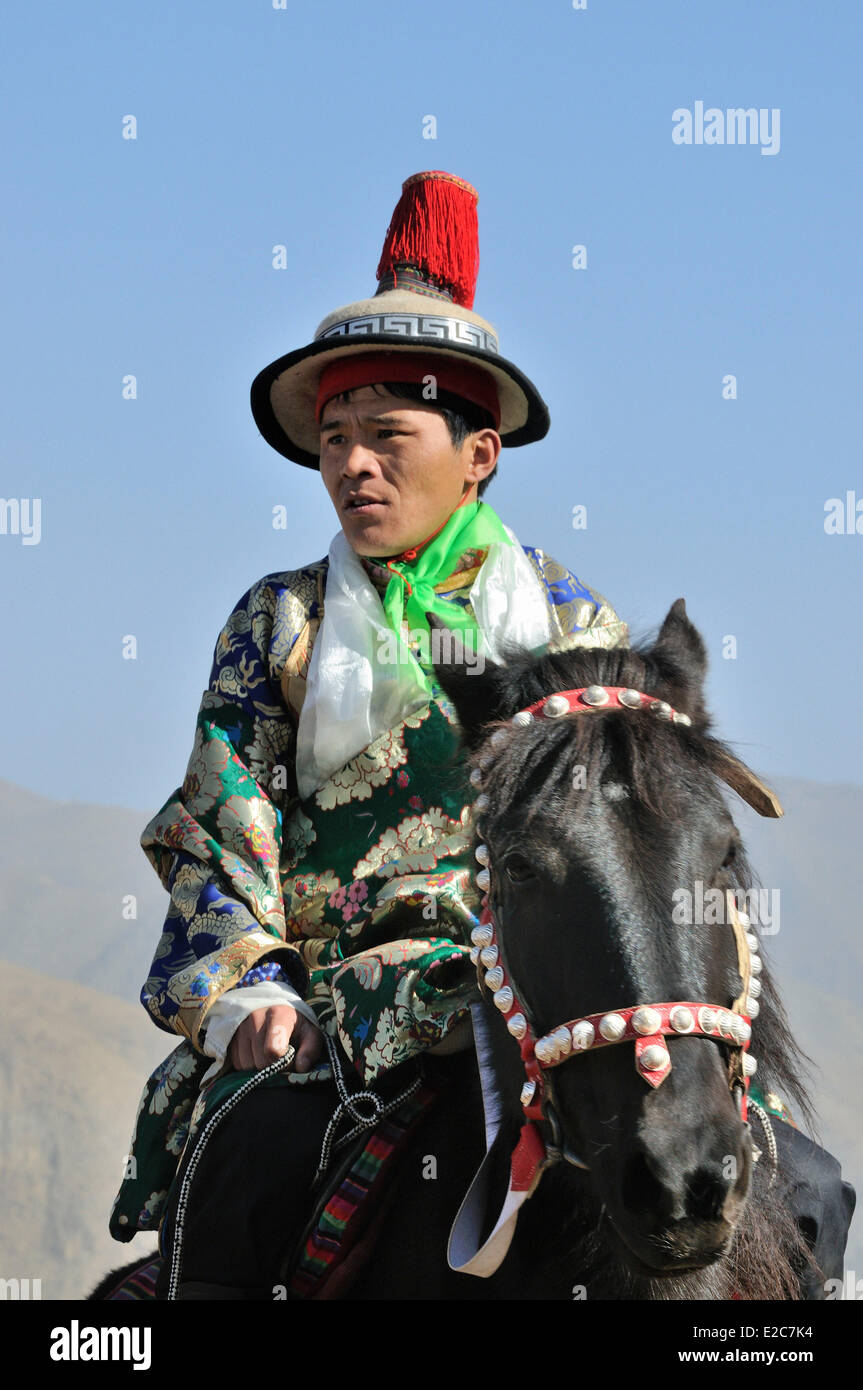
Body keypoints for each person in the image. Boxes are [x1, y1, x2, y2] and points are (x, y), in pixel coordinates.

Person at [108, 170, 628, 1297]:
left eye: (386, 435)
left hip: (541, 1010)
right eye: (335, 437)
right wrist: (251, 996)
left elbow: (630, 848)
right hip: (336, 1019)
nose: (350, 464)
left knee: (793, 1185)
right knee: (243, 1173)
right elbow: (216, 836)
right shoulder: (278, 624)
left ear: (478, 452)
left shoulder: (577, 629)